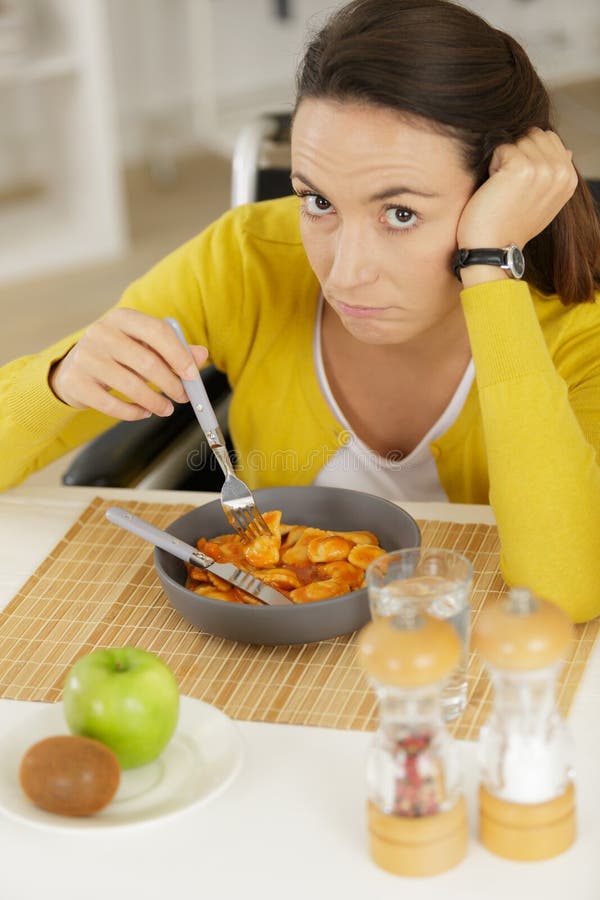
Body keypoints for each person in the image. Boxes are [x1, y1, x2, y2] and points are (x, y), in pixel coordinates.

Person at [0, 0, 599, 622]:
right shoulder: (246, 259)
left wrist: (491, 269)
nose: (343, 273)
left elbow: (564, 591)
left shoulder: (582, 333)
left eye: (401, 214)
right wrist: (57, 382)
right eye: (317, 201)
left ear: (502, 194)